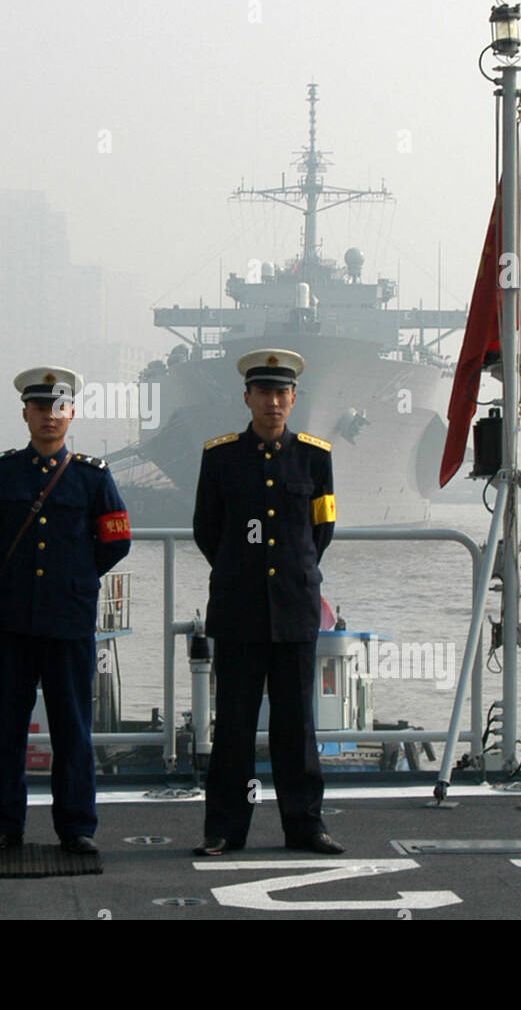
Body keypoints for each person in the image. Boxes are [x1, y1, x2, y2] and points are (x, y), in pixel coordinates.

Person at [0, 366, 131, 855]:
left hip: (68, 621)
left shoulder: (92, 477)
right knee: (7, 730)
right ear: (26, 414)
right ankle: (2, 825)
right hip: (12, 622)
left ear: (72, 412)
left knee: (72, 729)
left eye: (59, 408)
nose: (49, 417)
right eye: (40, 408)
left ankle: (77, 826)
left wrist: (78, 575)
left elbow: (116, 541)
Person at [192, 348, 344, 856]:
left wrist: (292, 575)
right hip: (239, 612)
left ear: (294, 398)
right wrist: (242, 569)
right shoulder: (220, 458)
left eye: (282, 393)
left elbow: (322, 529)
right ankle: (224, 830)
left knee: (296, 726)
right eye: (264, 393)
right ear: (248, 397)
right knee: (233, 727)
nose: (273, 402)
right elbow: (206, 530)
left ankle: (305, 826)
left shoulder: (315, 457)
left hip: (294, 611)